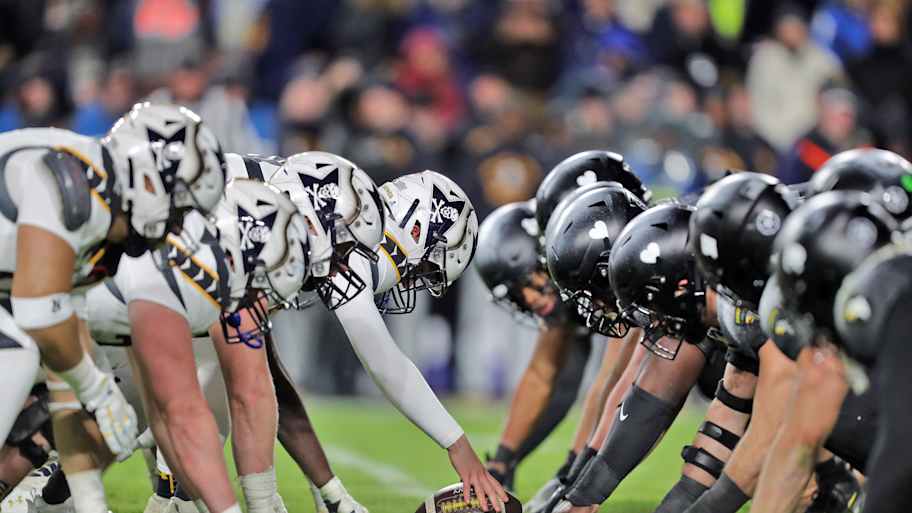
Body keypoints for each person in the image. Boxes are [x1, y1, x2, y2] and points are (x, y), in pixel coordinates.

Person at [0, 102, 226, 513]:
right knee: (17, 350)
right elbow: (38, 314)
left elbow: (64, 367)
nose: (178, 226)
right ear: (150, 180)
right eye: (180, 207)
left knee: (55, 377)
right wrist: (100, 389)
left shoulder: (105, 221)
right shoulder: (76, 182)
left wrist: (91, 502)